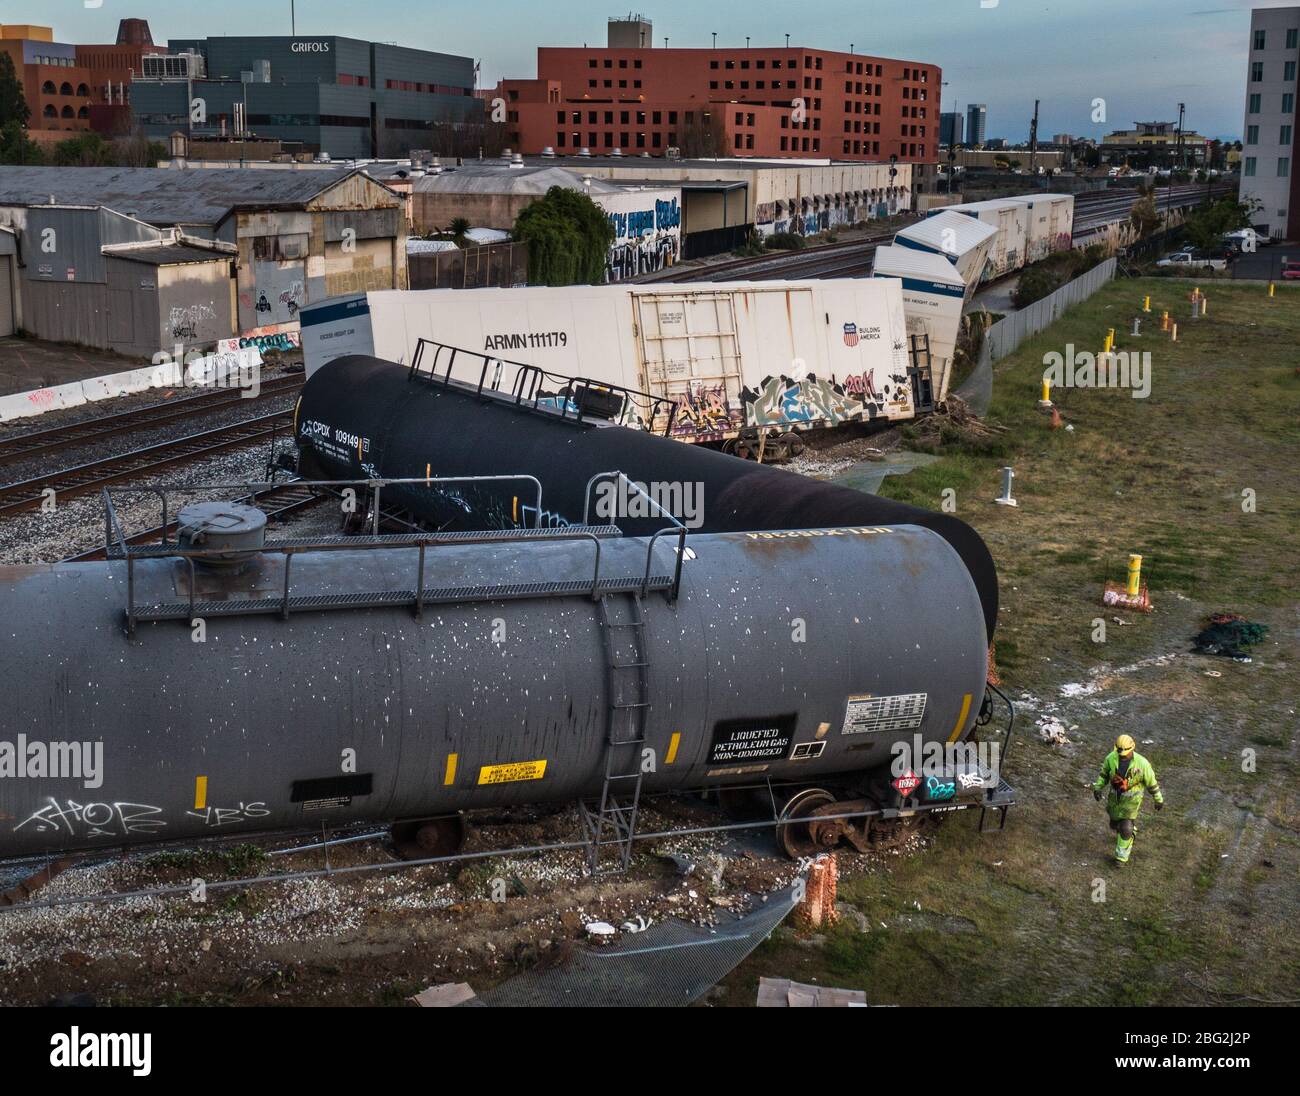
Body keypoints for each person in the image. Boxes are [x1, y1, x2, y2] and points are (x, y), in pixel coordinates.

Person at [1091, 734, 1164, 864]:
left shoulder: (1142, 764)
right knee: (1114, 825)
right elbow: (1104, 775)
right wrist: (1098, 787)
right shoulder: (1111, 758)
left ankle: (1121, 858)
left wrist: (1158, 799)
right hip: (1114, 802)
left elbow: (1152, 783)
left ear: (1132, 749)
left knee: (1125, 828)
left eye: (1124, 753)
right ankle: (1129, 831)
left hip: (1131, 804)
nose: (1122, 756)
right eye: (1120, 753)